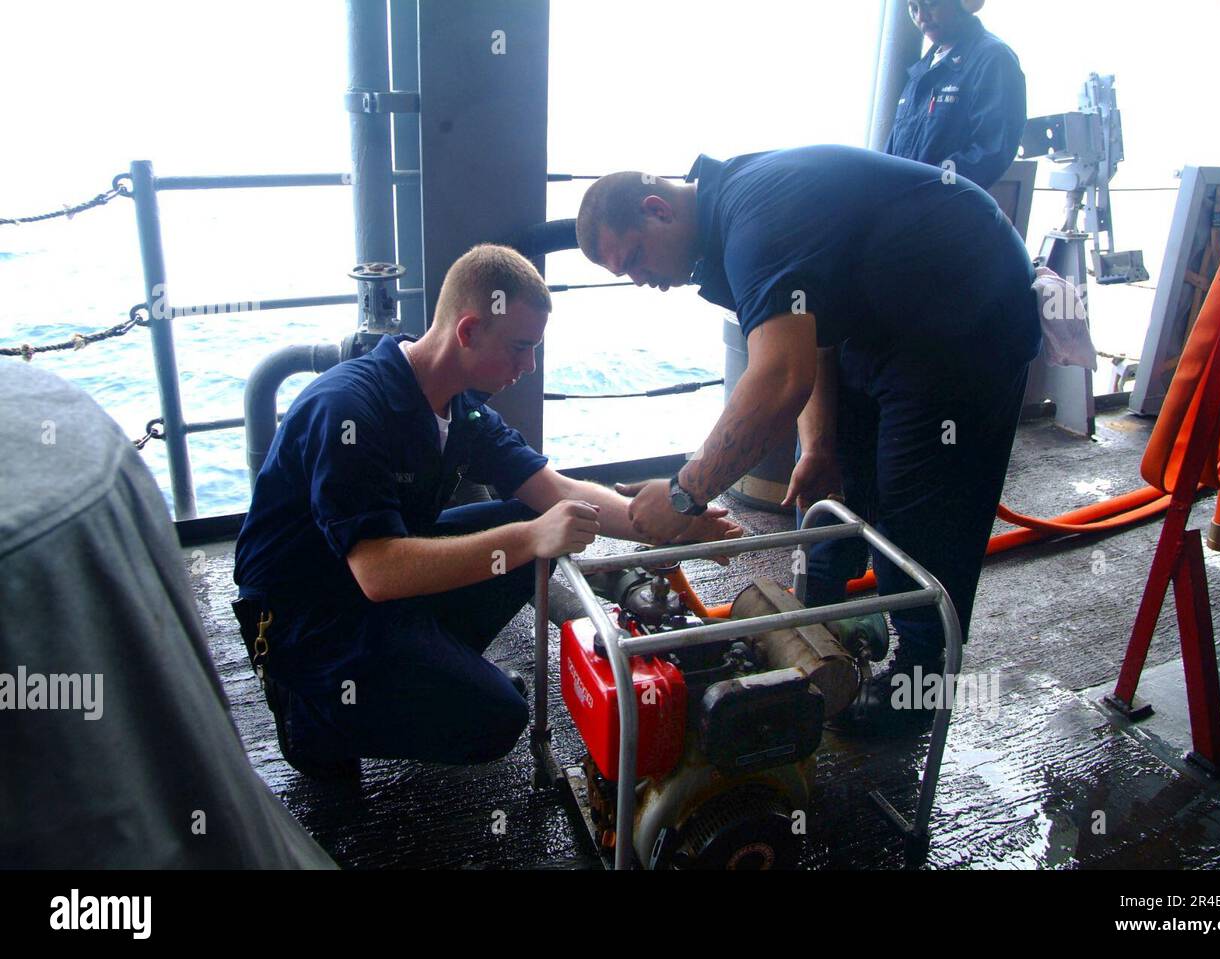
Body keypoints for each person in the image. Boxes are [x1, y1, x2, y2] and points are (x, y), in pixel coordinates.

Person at [233, 244, 739, 779]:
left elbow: (554, 489)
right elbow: (379, 572)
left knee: (514, 521)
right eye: (521, 347)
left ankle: (430, 670)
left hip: (377, 586)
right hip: (309, 618)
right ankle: (313, 716)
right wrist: (531, 538)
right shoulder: (348, 411)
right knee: (496, 718)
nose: (530, 365)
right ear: (468, 331)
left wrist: (668, 521)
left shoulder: (461, 409)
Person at [575, 145, 1040, 711]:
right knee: (840, 490)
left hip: (967, 315)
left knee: (918, 513)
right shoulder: (729, 218)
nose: (643, 281)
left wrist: (684, 494)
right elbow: (811, 336)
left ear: (658, 210)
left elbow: (778, 378)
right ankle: (823, 630)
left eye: (637, 260)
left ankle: (919, 689)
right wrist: (819, 445)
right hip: (883, 323)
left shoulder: (752, 226)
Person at [884, 0, 1026, 191]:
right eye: (914, 8)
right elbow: (893, 151)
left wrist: (931, 188)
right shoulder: (921, 71)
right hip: (905, 209)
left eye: (931, 5)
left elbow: (991, 152)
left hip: (945, 211)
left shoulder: (993, 59)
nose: (921, 17)